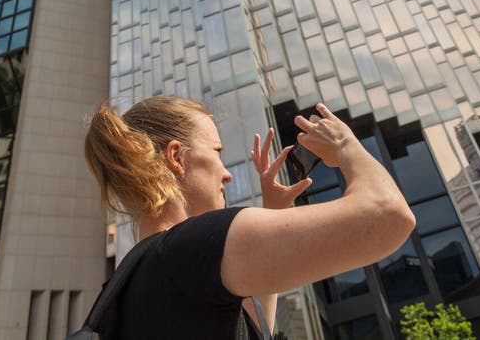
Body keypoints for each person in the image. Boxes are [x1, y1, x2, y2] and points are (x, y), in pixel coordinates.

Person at [84, 97, 415, 339]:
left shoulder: (127, 284)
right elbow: (388, 216)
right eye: (217, 152)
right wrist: (346, 145)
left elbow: (254, 330)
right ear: (176, 157)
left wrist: (274, 213)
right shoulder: (191, 246)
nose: (226, 174)